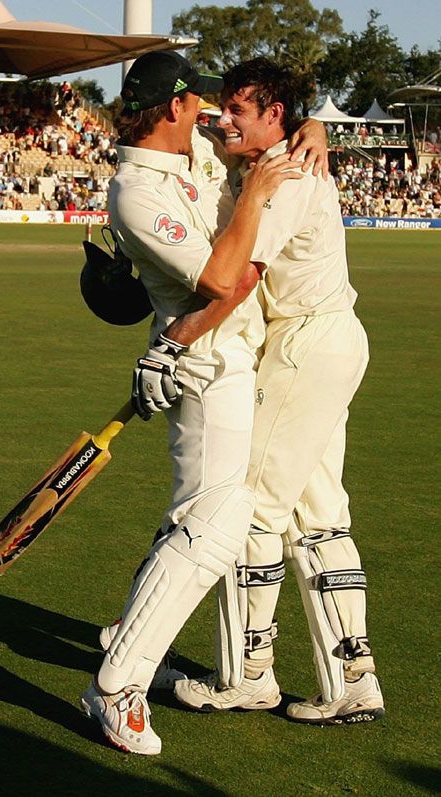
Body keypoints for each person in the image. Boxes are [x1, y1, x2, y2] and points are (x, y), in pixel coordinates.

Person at [79, 50, 325, 756]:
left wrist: (316, 132)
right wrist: (253, 197)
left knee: (202, 519)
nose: (213, 113)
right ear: (176, 105)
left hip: (231, 358)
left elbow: (275, 128)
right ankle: (116, 683)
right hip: (205, 364)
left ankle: (127, 650)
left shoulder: (194, 148)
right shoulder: (135, 191)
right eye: (199, 101)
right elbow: (223, 277)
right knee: (214, 527)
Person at [133, 57, 384, 726]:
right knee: (319, 512)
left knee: (250, 507)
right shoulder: (274, 150)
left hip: (303, 346)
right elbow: (192, 134)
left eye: (238, 109)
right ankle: (353, 678)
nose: (223, 118)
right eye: (223, 107)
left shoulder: (285, 176)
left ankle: (247, 675)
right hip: (326, 342)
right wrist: (309, 126)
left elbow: (235, 279)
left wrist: (173, 342)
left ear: (272, 116)